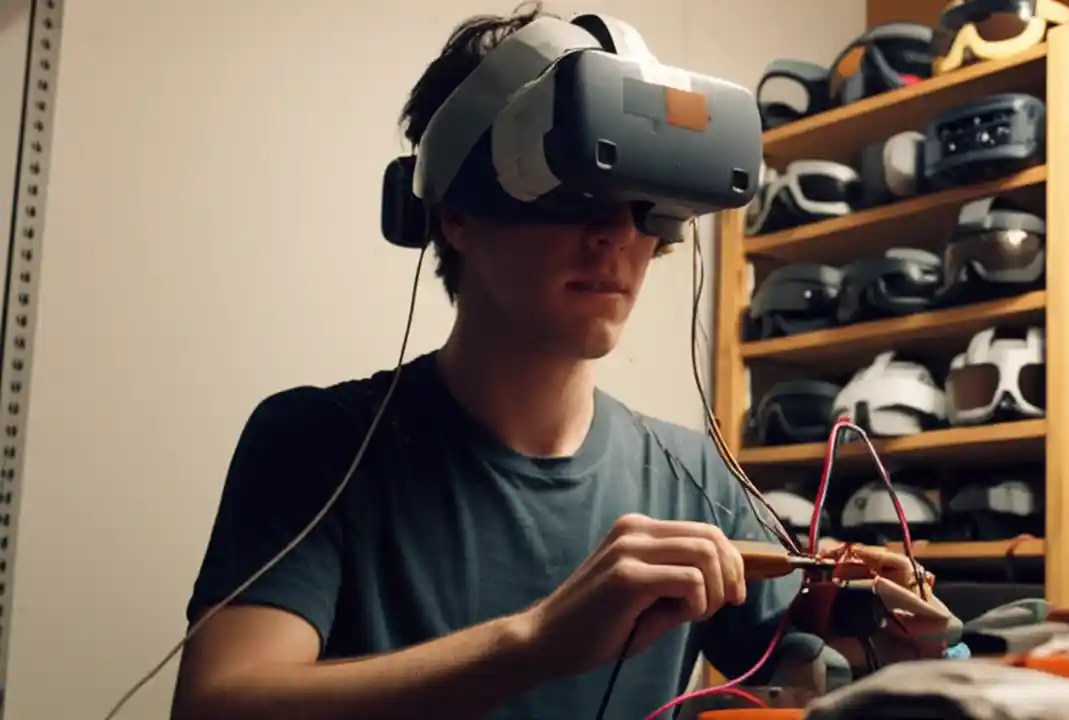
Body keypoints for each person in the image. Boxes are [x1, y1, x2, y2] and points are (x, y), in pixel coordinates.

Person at [169, 4, 799, 719]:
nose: (614, 235)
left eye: (641, 202)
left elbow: (819, 662)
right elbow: (216, 704)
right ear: (455, 213)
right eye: (575, 192)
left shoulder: (693, 476)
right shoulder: (318, 445)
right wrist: (535, 643)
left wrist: (904, 637)